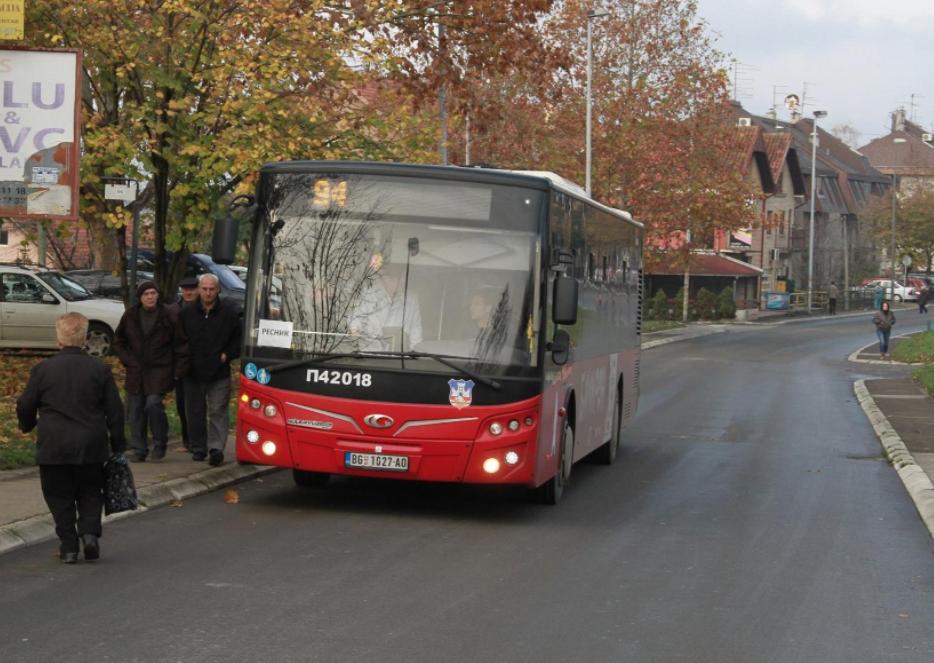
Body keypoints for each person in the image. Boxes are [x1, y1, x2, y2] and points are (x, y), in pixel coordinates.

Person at [16, 313, 126, 563]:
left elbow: (26, 404)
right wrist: (118, 443)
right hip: (91, 443)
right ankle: (88, 533)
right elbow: (114, 409)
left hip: (54, 444)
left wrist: (27, 424)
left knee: (58, 495)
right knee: (90, 491)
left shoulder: (42, 370)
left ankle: (68, 546)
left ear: (59, 338)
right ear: (85, 339)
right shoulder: (100, 369)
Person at [113, 280, 189, 462]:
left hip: (160, 368)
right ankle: (139, 449)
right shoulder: (130, 316)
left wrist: (179, 369)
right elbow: (119, 341)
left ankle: (160, 442)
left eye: (153, 293)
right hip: (136, 370)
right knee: (136, 410)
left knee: (153, 404)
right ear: (140, 297)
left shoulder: (168, 315)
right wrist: (128, 361)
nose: (150, 297)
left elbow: (180, 343)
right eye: (146, 294)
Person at [179, 273, 242, 465]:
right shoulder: (186, 314)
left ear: (218, 290)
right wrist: (184, 360)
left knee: (218, 410)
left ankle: (216, 448)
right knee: (194, 411)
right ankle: (198, 447)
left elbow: (238, 339)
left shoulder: (229, 314)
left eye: (211, 289)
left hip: (218, 371)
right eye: (204, 289)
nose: (208, 293)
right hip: (192, 371)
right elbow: (179, 340)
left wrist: (227, 354)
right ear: (199, 289)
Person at [348, 262, 423, 351]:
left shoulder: (411, 300)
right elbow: (354, 326)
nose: (399, 281)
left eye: (400, 277)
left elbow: (416, 335)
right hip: (369, 359)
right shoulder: (368, 295)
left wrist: (413, 357)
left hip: (399, 360)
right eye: (391, 277)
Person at [172, 276, 200, 451]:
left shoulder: (203, 308)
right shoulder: (173, 310)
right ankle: (187, 440)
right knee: (182, 404)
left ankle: (197, 440)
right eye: (185, 289)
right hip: (180, 363)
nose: (188, 292)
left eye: (191, 289)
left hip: (199, 363)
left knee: (196, 406)